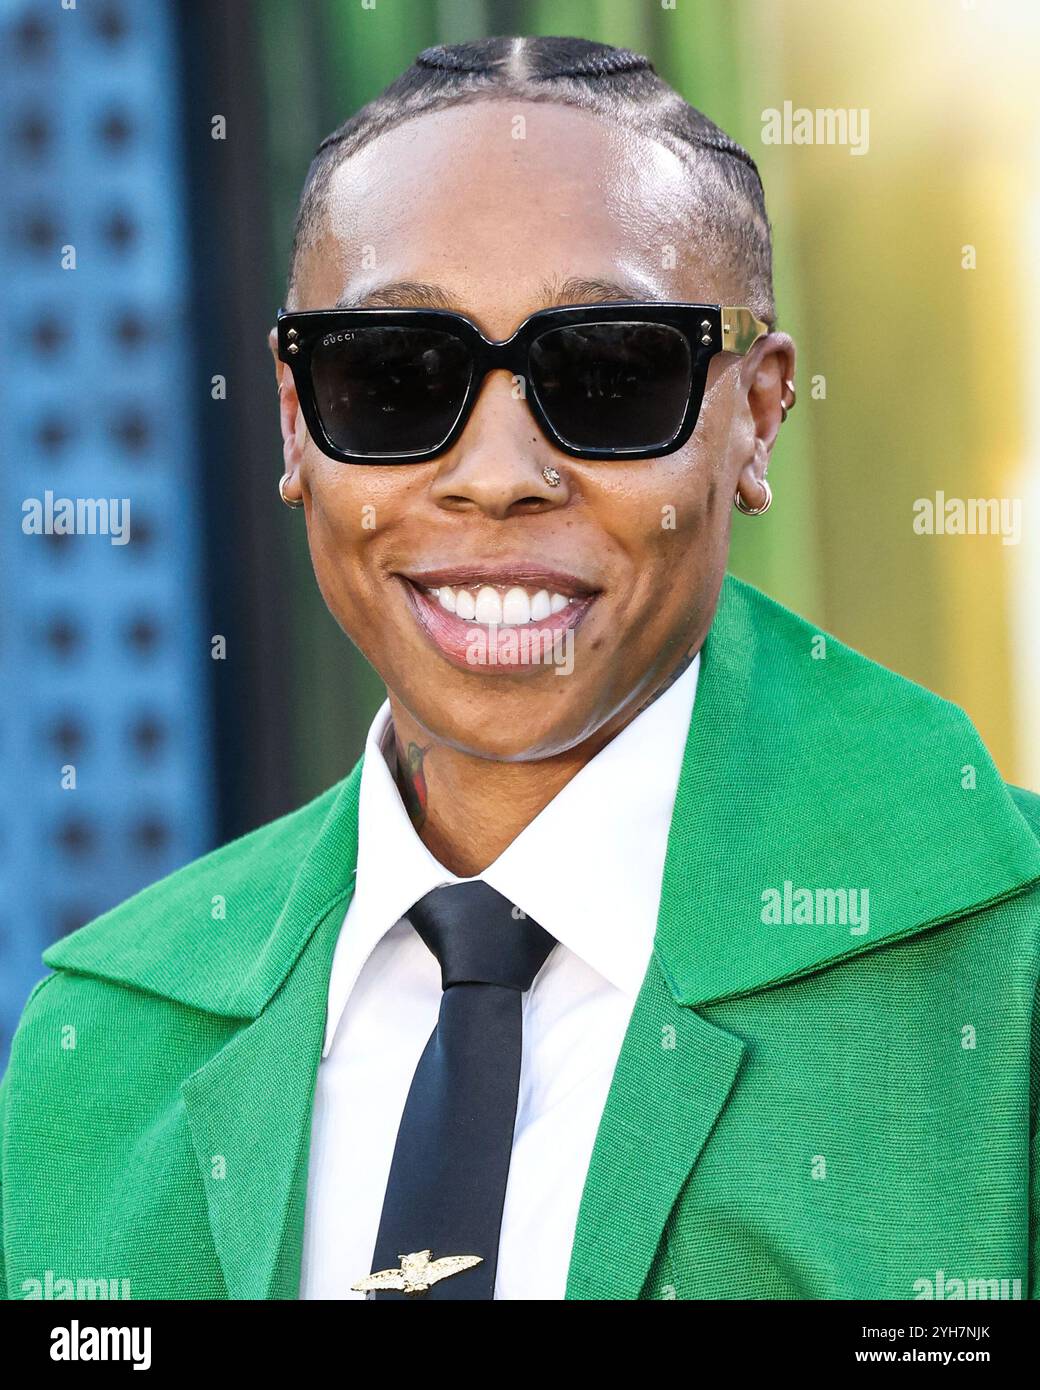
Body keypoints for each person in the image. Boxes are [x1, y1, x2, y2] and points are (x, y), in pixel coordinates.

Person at [3, 35, 1039, 1303]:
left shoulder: (1008, 991)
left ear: (755, 418)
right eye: (390, 379)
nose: (494, 474)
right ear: (293, 418)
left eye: (608, 376)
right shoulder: (94, 1043)